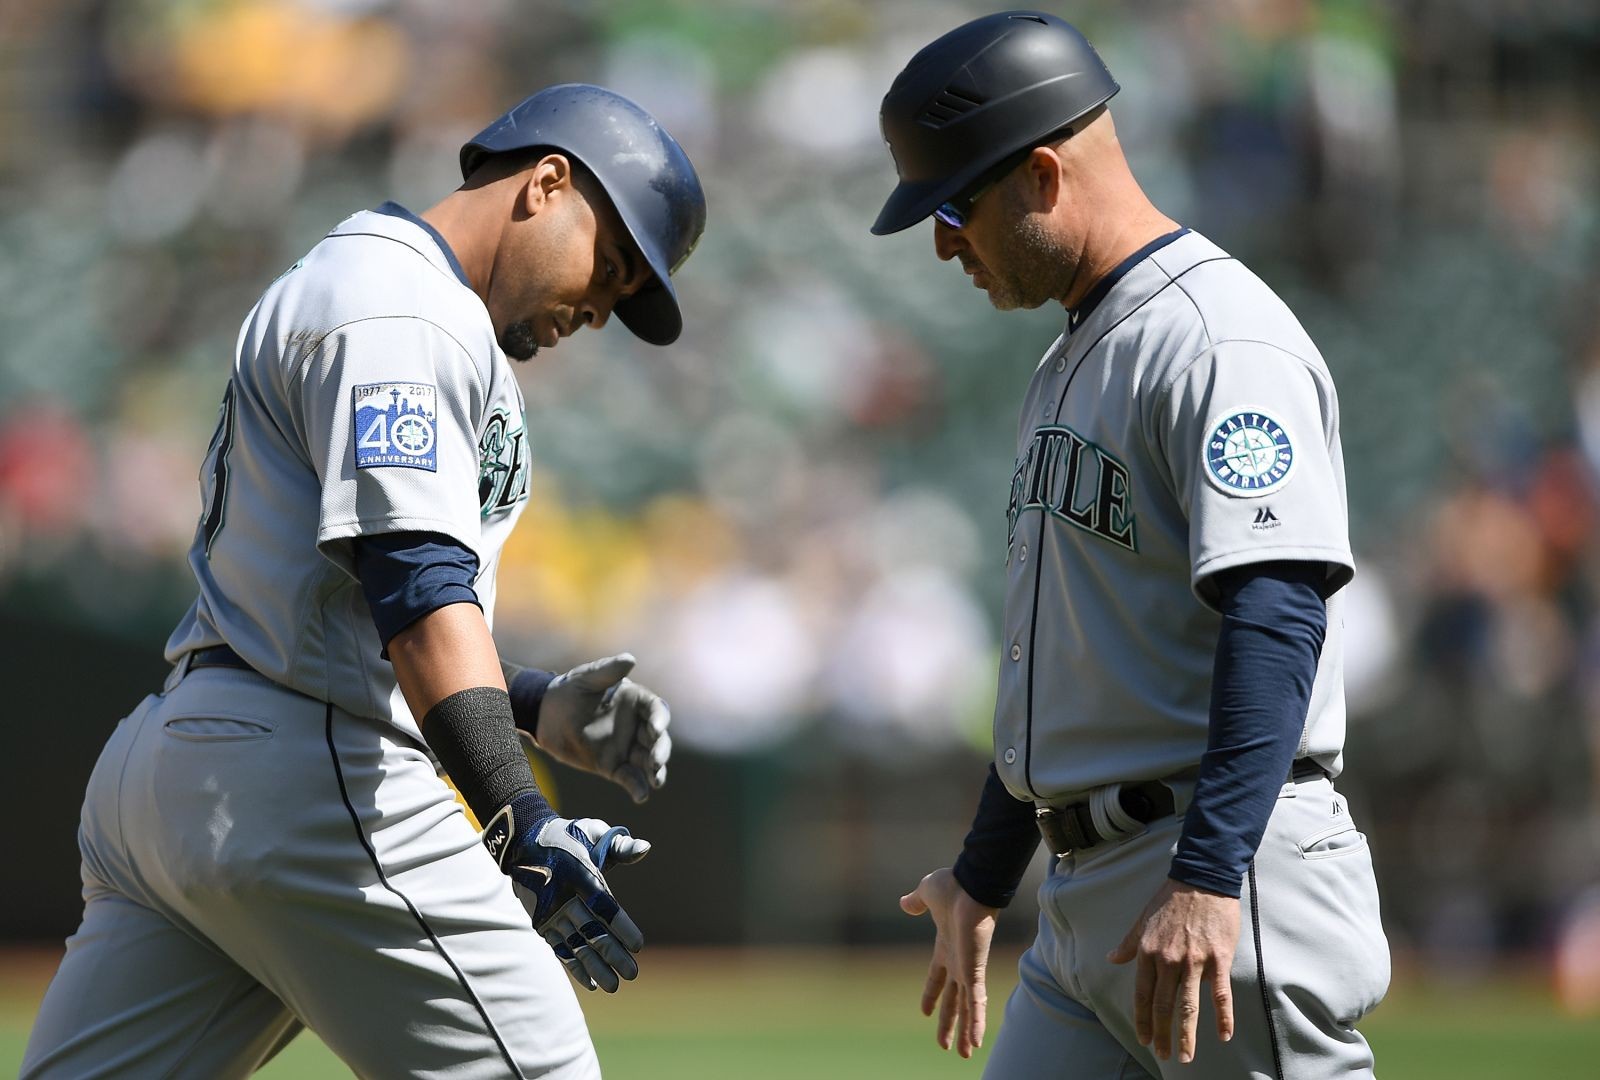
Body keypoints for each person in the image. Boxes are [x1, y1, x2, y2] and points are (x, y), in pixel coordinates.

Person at [23, 83, 705, 1080]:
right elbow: (415, 586)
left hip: (183, 768)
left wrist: (530, 704)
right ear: (546, 184)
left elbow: (348, 600)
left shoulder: (375, 288)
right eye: (609, 266)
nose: (602, 308)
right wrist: (521, 818)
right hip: (309, 776)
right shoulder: (403, 308)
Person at [872, 13, 1389, 1078]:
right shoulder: (1071, 357)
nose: (942, 242)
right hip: (1087, 898)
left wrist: (1209, 875)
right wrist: (983, 873)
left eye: (955, 205)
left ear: (1044, 174)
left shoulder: (1216, 338)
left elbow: (1278, 610)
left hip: (1219, 866)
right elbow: (1058, 666)